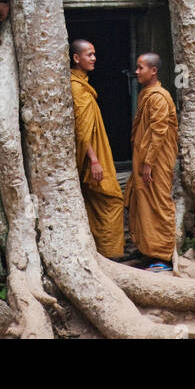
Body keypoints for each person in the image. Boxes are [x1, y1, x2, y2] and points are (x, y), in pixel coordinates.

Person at [69, 39, 125, 258]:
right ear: (76, 58)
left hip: (96, 151)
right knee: (113, 199)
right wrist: (93, 160)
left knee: (98, 201)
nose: (94, 58)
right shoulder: (76, 87)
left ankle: (102, 252)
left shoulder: (82, 84)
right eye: (89, 54)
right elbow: (82, 130)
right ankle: (109, 254)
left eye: (94, 54)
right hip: (91, 155)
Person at [124, 52, 179, 271]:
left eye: (141, 68)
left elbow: (158, 129)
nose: (136, 72)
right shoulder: (147, 94)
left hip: (155, 163)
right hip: (146, 161)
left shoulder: (158, 97)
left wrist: (148, 162)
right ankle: (149, 252)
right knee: (145, 206)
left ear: (153, 71)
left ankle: (163, 257)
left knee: (159, 205)